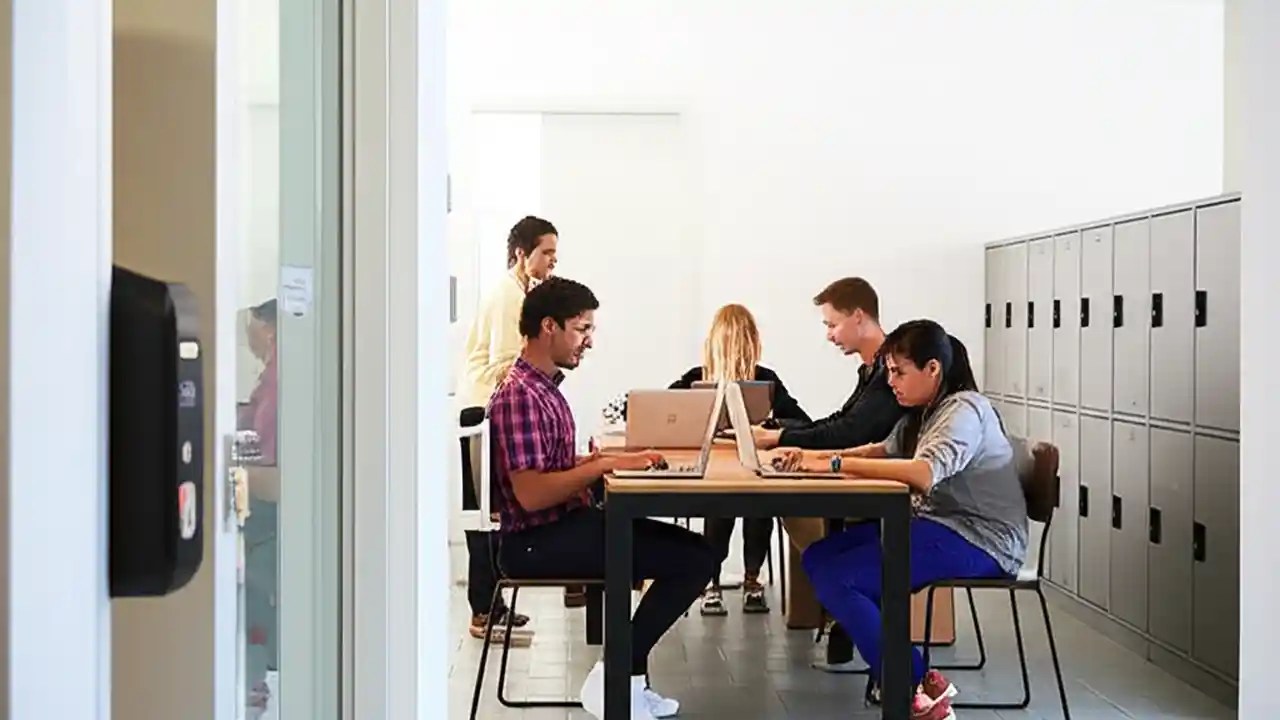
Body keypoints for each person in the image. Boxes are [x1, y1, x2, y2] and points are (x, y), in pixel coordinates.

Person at [488, 277, 717, 720]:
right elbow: (533, 493)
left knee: (697, 554)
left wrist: (615, 457)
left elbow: (550, 464)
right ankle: (617, 676)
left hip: (558, 529)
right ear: (548, 326)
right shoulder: (521, 394)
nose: (588, 342)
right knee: (695, 561)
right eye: (582, 329)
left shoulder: (542, 388)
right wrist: (598, 467)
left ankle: (624, 680)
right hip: (535, 543)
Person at [778, 319, 1028, 719]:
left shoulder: (964, 410)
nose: (891, 381)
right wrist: (810, 459)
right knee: (820, 557)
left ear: (932, 369)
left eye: (898, 372)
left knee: (840, 578)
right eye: (888, 371)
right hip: (939, 525)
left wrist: (839, 463)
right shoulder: (925, 411)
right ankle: (917, 677)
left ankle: (909, 688)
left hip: (981, 540)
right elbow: (879, 450)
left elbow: (923, 473)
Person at [750, 277, 906, 667]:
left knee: (807, 523)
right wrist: (783, 436)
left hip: (889, 492)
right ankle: (842, 618)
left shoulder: (891, 371)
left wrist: (784, 436)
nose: (830, 335)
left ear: (858, 317)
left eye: (831, 324)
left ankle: (847, 616)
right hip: (869, 479)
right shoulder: (871, 369)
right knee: (800, 515)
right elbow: (842, 421)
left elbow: (853, 430)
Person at [455, 216, 565, 642]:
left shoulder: (522, 294)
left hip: (488, 408)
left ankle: (492, 605)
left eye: (555, 254)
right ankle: (483, 610)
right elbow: (506, 364)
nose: (553, 261)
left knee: (495, 514)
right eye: (547, 253)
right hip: (481, 410)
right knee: (484, 515)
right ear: (523, 253)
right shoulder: (508, 298)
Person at [666, 304, 810, 616]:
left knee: (760, 508)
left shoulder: (766, 380)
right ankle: (711, 581)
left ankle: (751, 579)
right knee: (720, 507)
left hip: (751, 468)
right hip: (712, 470)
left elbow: (802, 421)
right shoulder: (695, 379)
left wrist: (768, 427)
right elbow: (666, 413)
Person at [239, 299, 280, 718]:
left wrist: (229, 475)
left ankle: (252, 687)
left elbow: (279, 479)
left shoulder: (279, 382)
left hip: (267, 520)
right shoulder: (271, 376)